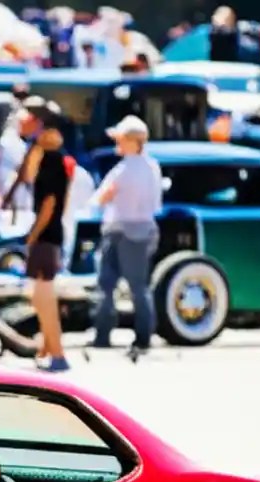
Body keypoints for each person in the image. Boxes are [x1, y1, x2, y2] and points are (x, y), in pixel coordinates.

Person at [91, 116, 162, 359]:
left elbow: (101, 198)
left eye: (121, 139)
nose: (117, 143)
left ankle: (102, 335)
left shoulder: (122, 170)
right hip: (144, 232)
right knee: (139, 287)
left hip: (118, 230)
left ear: (133, 142)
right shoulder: (153, 167)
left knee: (106, 284)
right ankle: (143, 337)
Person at [23, 109, 71, 372]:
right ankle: (48, 346)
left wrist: (34, 233)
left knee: (43, 295)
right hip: (50, 233)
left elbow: (50, 203)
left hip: (46, 234)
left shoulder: (54, 161)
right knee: (40, 296)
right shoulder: (49, 159)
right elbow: (28, 177)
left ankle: (57, 351)